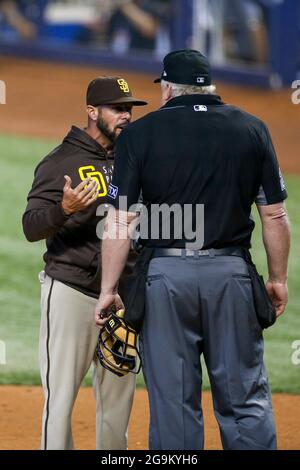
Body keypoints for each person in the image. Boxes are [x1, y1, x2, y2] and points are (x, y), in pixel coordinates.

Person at [95, 49, 291, 450]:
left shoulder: (140, 134)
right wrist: (278, 280)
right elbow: (274, 215)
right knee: (244, 400)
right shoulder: (252, 129)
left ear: (167, 89)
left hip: (166, 280)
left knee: (174, 404)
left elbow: (120, 221)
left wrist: (108, 290)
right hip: (232, 276)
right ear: (209, 86)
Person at [22, 76, 147, 450]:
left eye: (129, 109)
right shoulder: (61, 162)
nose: (126, 116)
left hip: (121, 301)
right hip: (71, 293)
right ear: (92, 112)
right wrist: (64, 209)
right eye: (117, 109)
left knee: (117, 408)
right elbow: (30, 226)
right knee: (59, 402)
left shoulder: (135, 160)